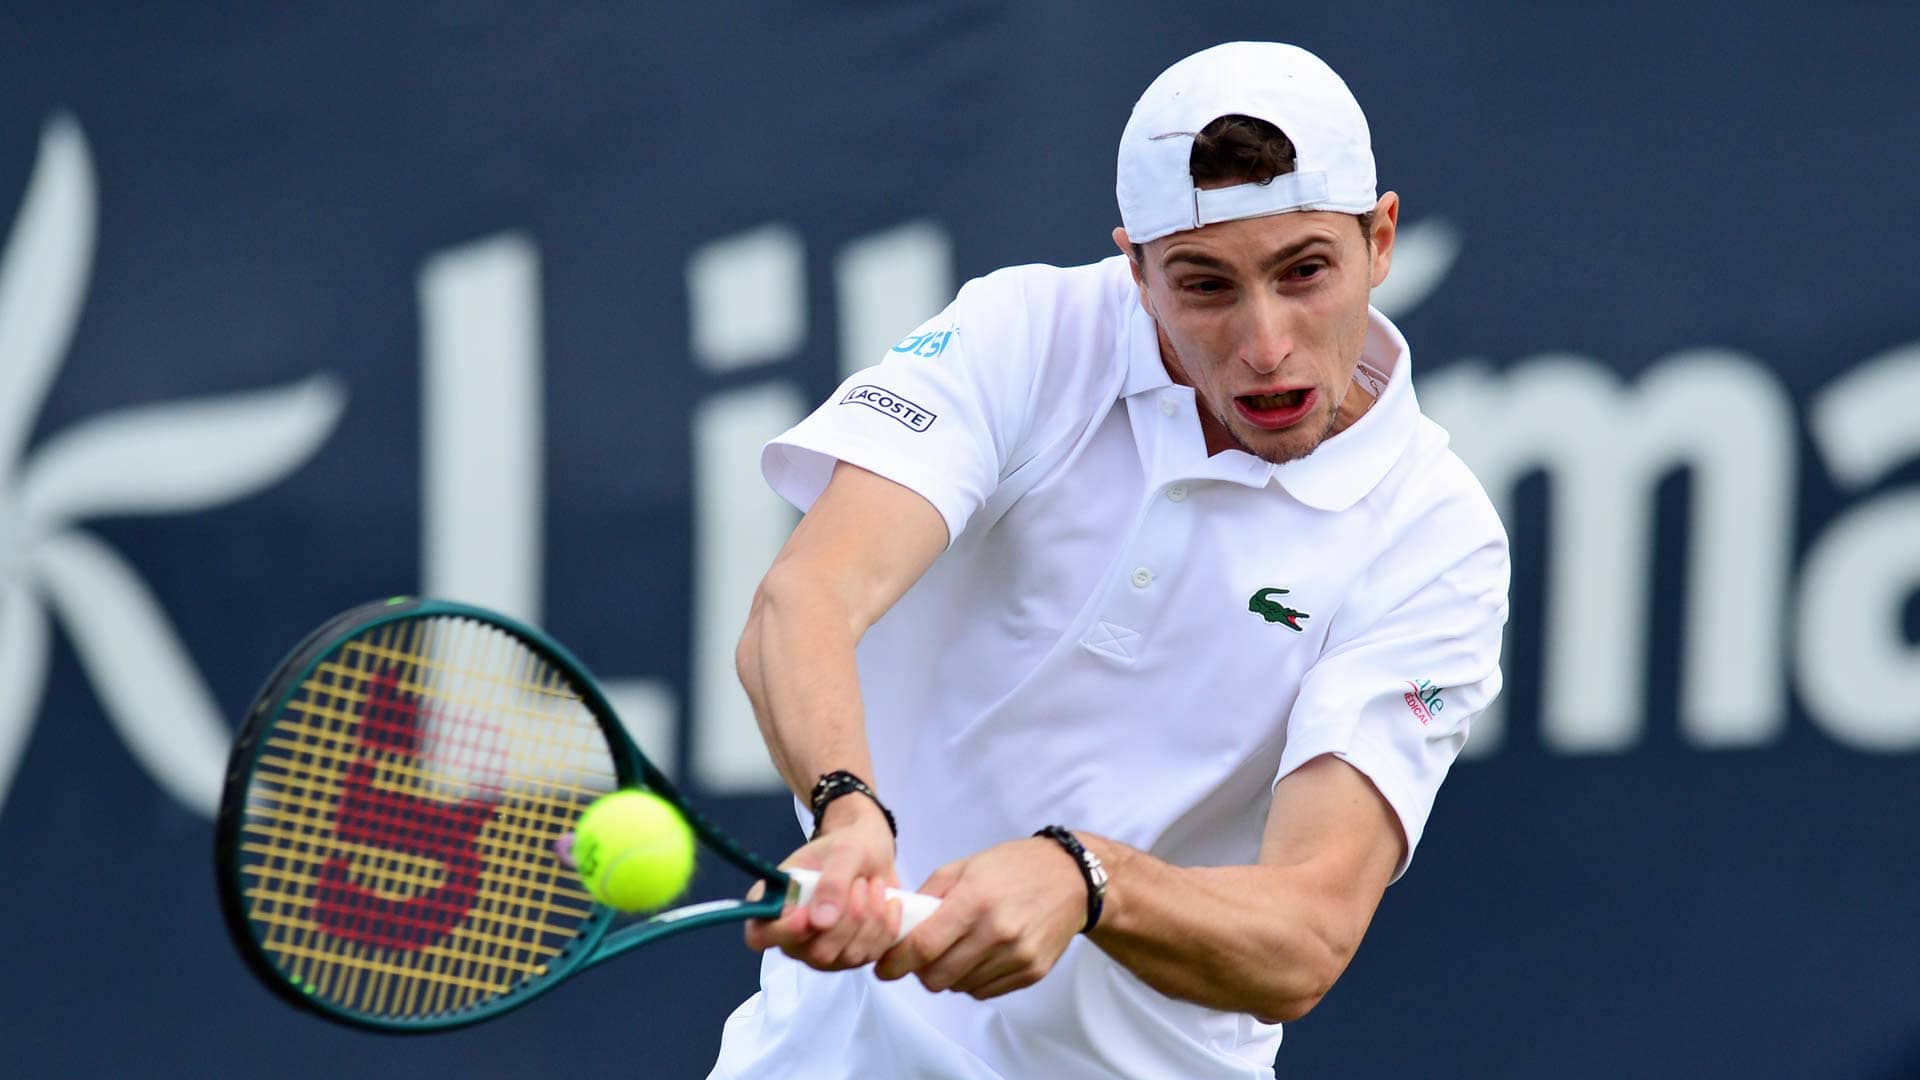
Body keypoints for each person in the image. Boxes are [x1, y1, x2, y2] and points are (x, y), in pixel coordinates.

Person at [709, 40, 1509, 1080]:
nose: (1265, 343)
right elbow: (805, 596)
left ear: (1380, 239)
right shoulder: (1029, 334)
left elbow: (1308, 935)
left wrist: (1087, 882)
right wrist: (848, 806)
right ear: (1136, 269)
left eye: (1304, 271)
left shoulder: (1434, 536)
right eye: (1206, 286)